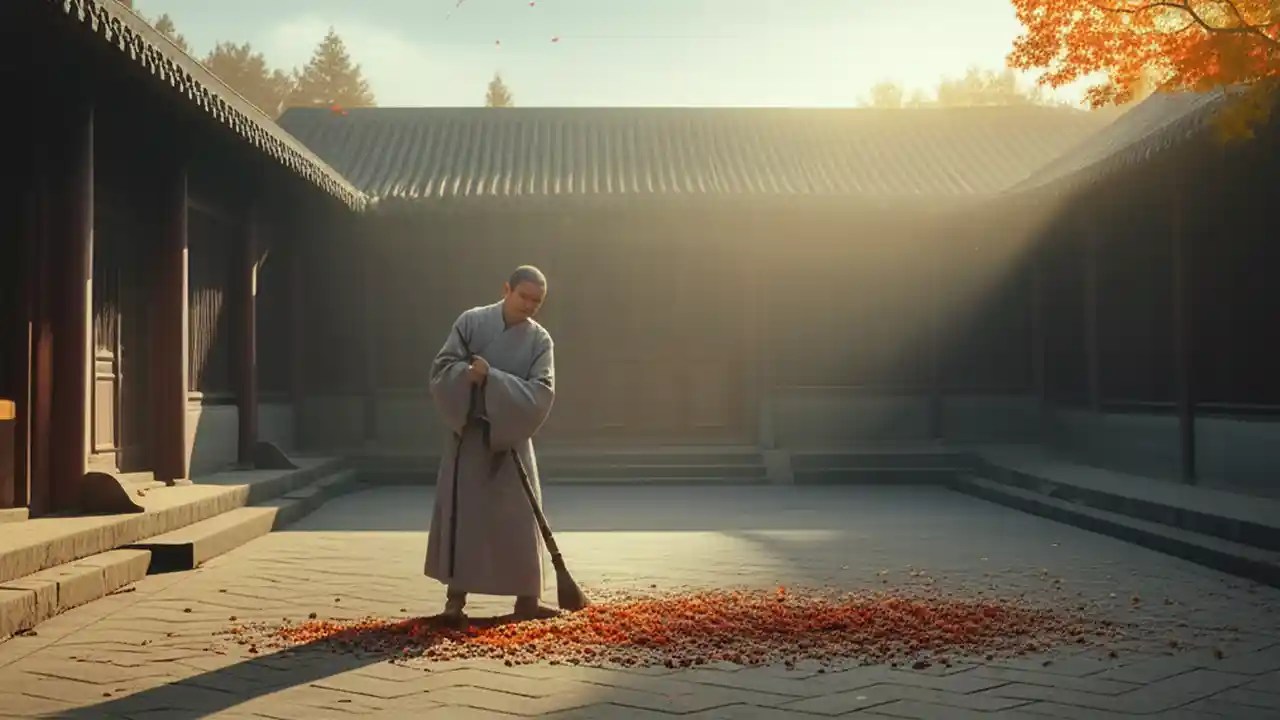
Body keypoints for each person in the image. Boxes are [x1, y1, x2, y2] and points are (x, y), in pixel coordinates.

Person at [423, 265, 560, 623]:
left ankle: (527, 599)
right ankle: (455, 601)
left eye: (537, 300)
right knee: (464, 516)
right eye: (523, 296)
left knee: (519, 519)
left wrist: (494, 381)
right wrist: (465, 376)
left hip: (511, 437)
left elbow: (542, 392)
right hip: (469, 436)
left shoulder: (540, 340)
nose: (529, 305)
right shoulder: (470, 323)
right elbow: (441, 370)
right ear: (506, 289)